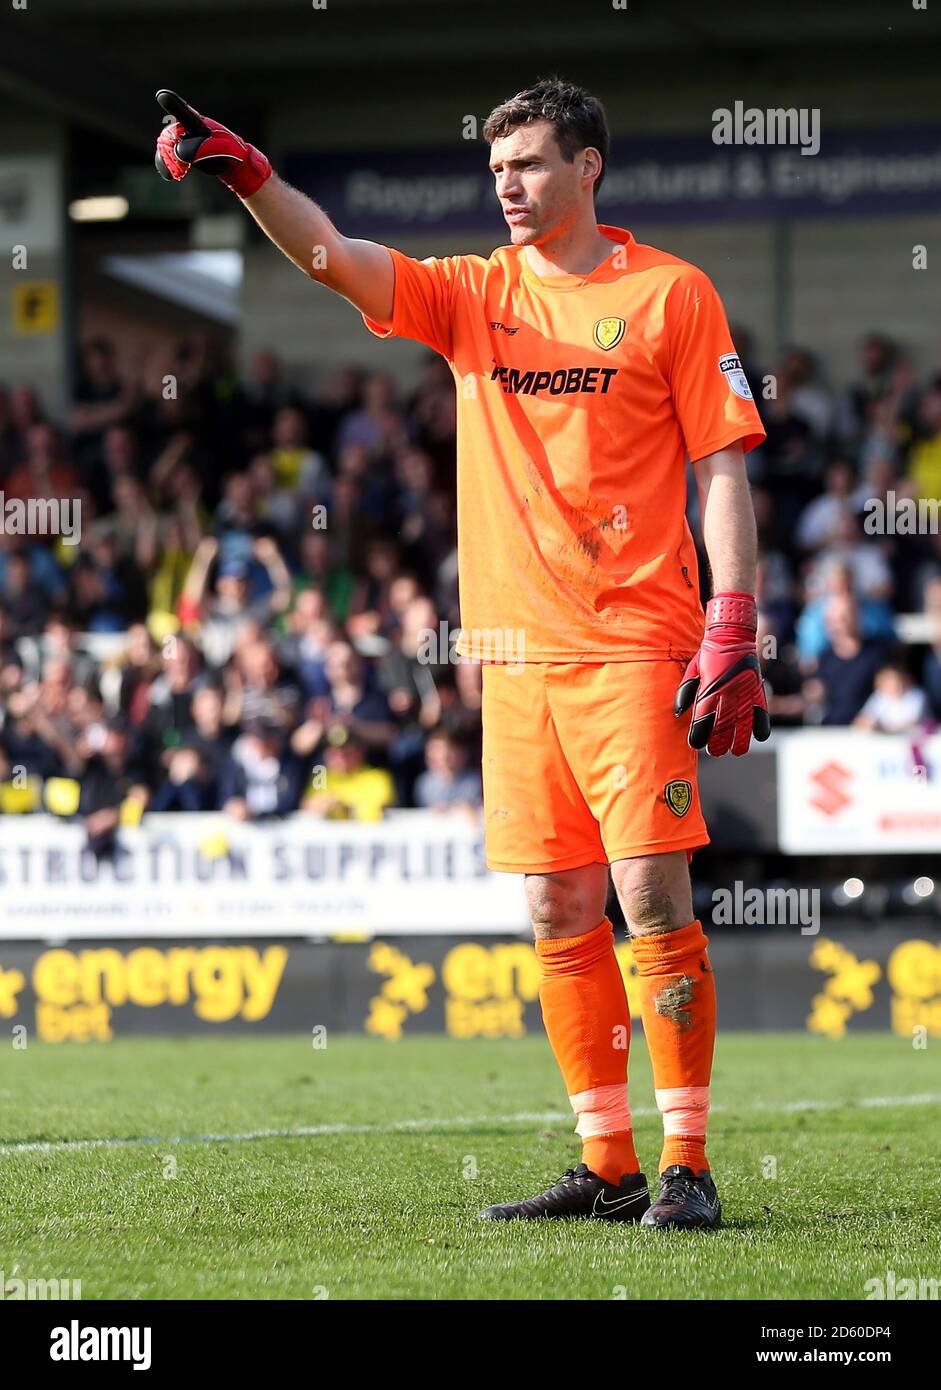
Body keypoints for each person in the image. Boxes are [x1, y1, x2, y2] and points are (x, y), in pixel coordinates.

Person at [155, 75, 769, 1231]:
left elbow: (722, 464)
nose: (507, 183)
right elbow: (329, 254)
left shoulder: (671, 295)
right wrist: (249, 175)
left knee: (647, 889)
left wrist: (732, 617)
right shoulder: (471, 296)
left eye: (529, 163)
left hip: (638, 642)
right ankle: (608, 1162)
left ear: (587, 168)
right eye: (496, 167)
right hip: (514, 658)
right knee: (555, 906)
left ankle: (687, 1163)